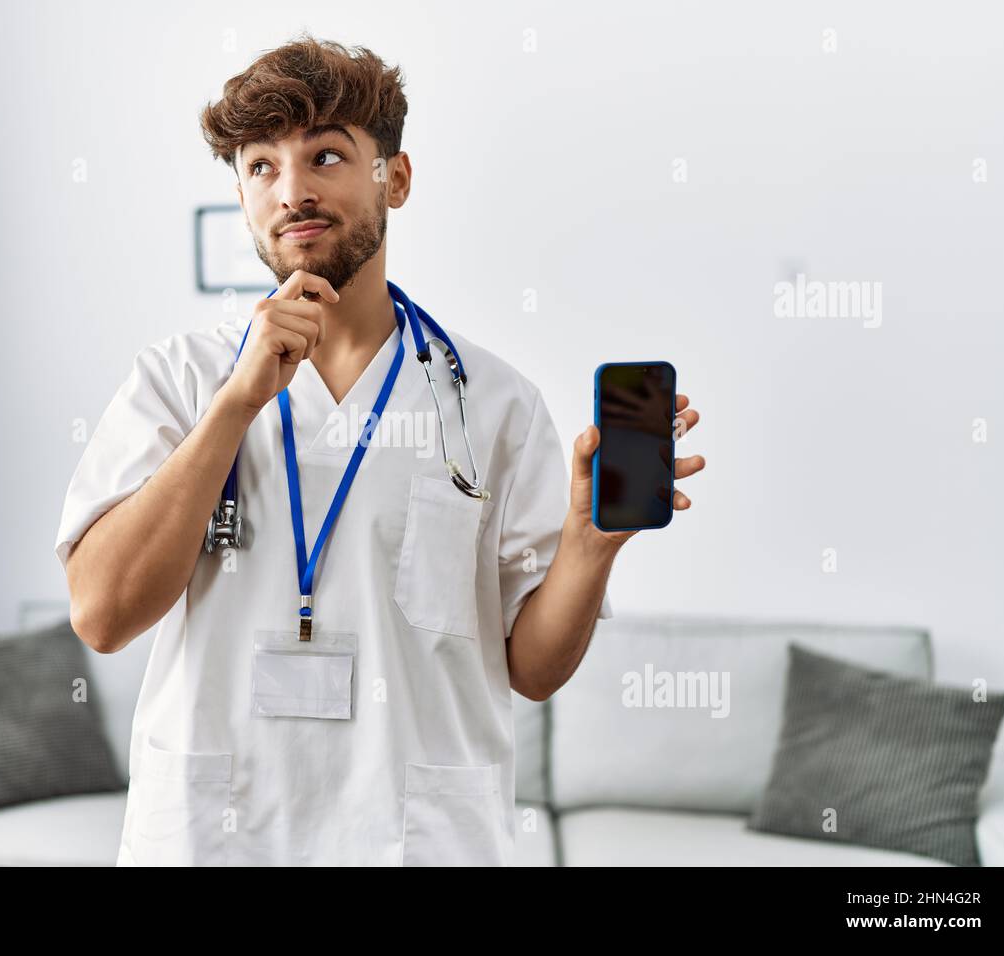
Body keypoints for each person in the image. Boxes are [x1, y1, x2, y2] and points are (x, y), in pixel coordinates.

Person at [54, 33, 706, 866]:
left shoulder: (493, 403)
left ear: (393, 178)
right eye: (261, 167)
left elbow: (534, 670)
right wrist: (235, 406)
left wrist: (590, 542)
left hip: (419, 841)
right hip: (212, 837)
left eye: (326, 155)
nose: (293, 192)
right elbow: (103, 616)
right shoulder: (179, 381)